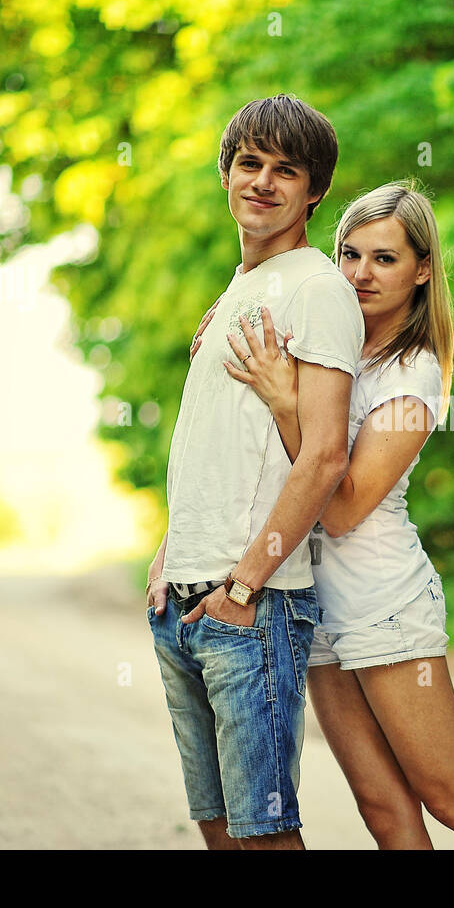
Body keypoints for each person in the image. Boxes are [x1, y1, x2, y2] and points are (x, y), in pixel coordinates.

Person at [203, 180, 454, 849]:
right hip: (311, 599)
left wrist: (285, 402)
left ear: (422, 270)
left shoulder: (411, 371)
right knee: (383, 809)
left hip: (383, 602)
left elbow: (348, 504)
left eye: (385, 258)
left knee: (452, 796)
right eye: (350, 253)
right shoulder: (328, 347)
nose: (360, 273)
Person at [145, 94, 364, 851]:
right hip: (184, 604)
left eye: (286, 169)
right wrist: (168, 552)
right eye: (249, 163)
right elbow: (216, 444)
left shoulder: (318, 288)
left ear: (315, 190)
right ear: (227, 174)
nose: (264, 181)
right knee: (219, 830)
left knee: (266, 839)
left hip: (254, 606)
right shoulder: (233, 292)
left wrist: (243, 586)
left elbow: (327, 454)